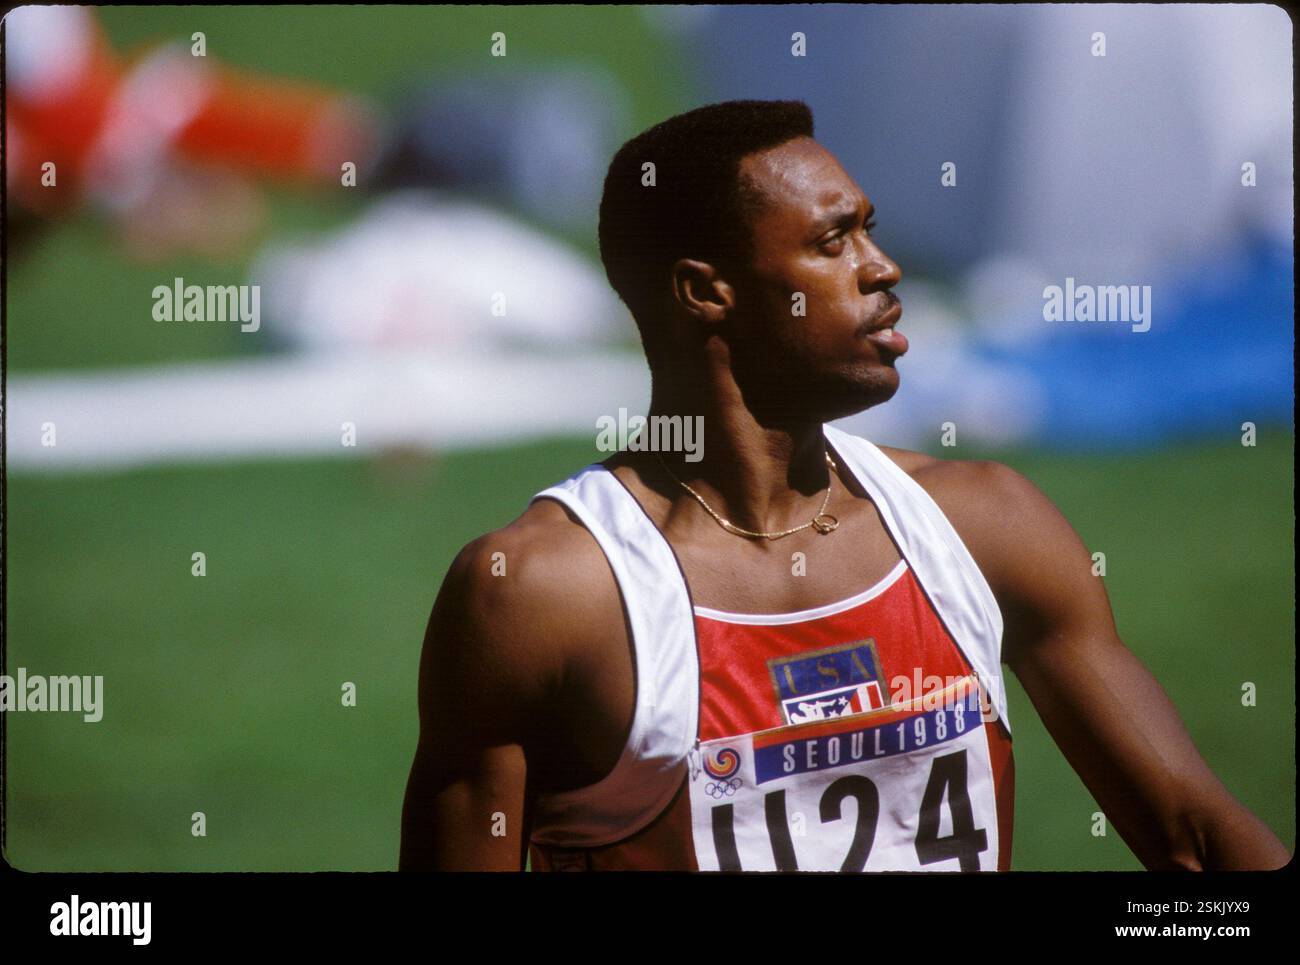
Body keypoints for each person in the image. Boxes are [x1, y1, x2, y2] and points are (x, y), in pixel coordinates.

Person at [399, 100, 1289, 872]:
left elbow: (1195, 840)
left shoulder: (984, 527)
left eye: (870, 228)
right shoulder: (542, 597)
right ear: (707, 293)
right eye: (835, 241)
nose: (883, 267)